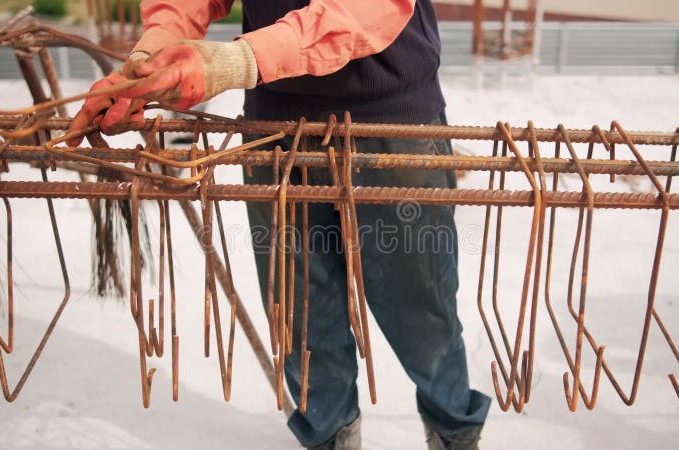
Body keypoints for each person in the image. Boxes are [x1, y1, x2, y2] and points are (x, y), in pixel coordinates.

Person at [68, 1, 491, 448]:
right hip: (275, 127)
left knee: (421, 310)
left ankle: (455, 433)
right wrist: (154, 52)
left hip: (388, 118)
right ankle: (331, 437)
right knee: (301, 315)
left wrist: (239, 60)